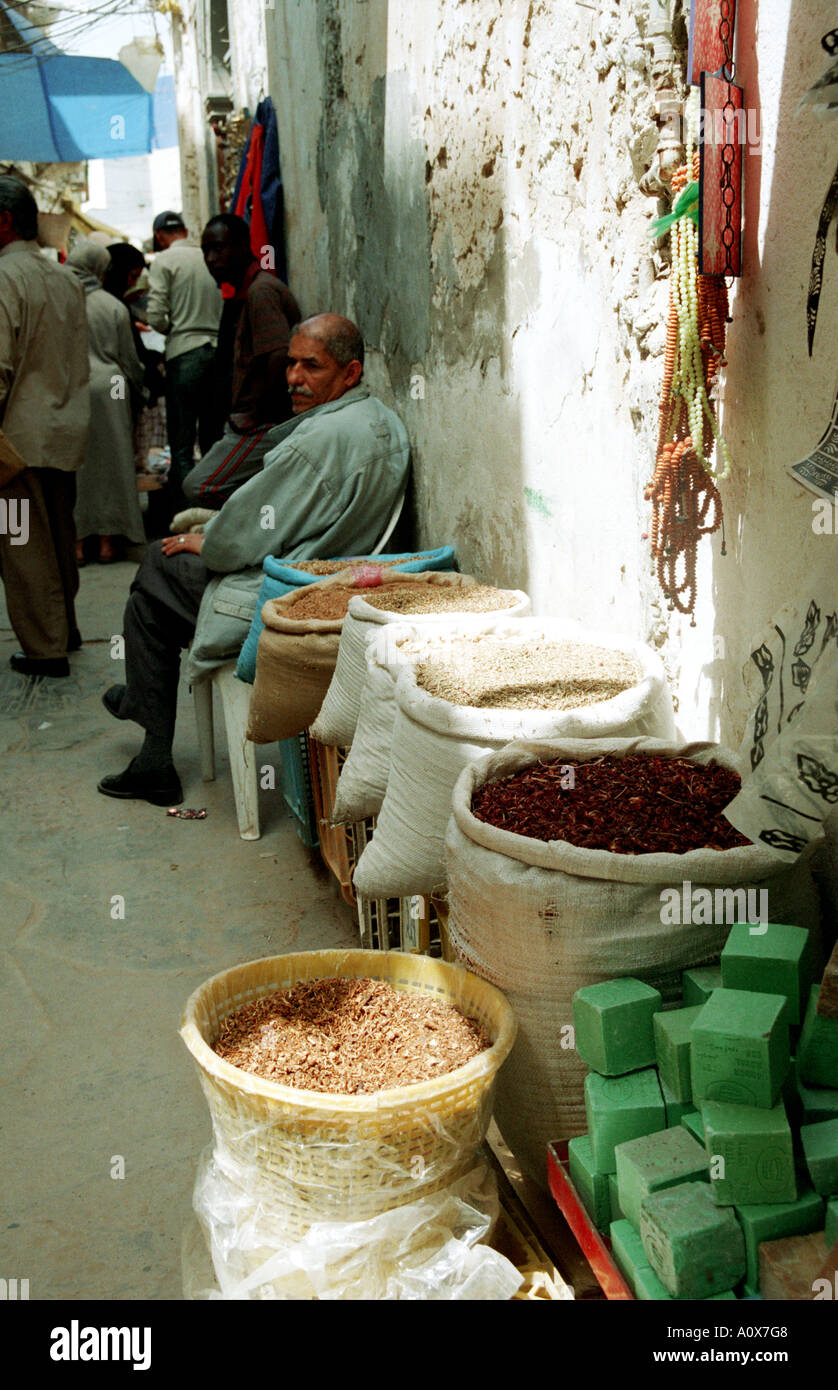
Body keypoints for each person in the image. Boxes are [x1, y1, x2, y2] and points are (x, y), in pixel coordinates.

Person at [98, 314, 410, 805]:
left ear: (350, 373)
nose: (293, 378)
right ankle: (148, 735)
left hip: (294, 595)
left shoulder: (317, 441)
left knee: (159, 564)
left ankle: (150, 738)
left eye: (312, 366)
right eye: (291, 364)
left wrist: (208, 540)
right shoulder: (380, 420)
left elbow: (240, 535)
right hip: (329, 573)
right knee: (149, 605)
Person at [0, 177, 90, 678]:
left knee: (19, 543)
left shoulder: (5, 277)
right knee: (57, 536)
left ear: (4, 221)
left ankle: (45, 648)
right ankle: (65, 630)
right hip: (62, 429)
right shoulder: (64, 276)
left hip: (18, 439)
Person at [179, 213, 301, 507]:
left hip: (261, 425)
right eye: (206, 251)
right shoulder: (242, 294)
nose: (211, 259)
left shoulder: (261, 292)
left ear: (243, 247)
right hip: (245, 421)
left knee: (198, 486)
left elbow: (279, 356)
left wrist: (254, 415)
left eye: (219, 248)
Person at [66, 241, 146, 564]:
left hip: (73, 386)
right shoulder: (112, 306)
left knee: (77, 466)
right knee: (113, 463)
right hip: (111, 386)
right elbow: (128, 359)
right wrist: (138, 389)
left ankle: (78, 545)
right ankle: (109, 544)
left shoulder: (61, 301)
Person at [144, 211, 222, 509]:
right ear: (186, 230)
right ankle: (212, 510)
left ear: (161, 236)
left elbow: (155, 316)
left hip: (184, 353)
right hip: (215, 352)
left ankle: (186, 510)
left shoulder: (164, 260)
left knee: (182, 443)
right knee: (214, 438)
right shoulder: (208, 256)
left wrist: (173, 330)